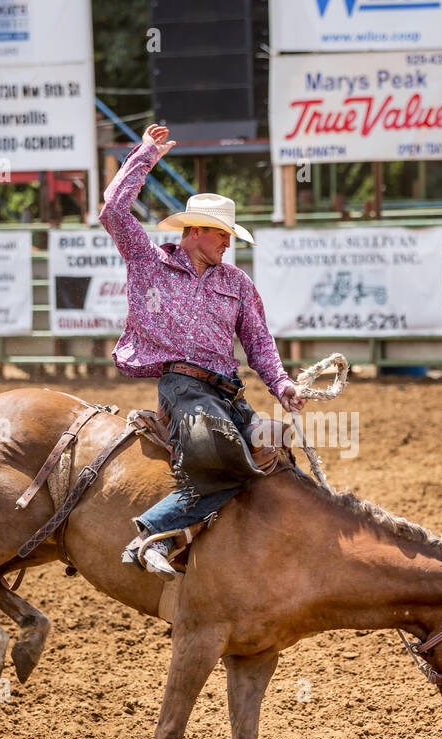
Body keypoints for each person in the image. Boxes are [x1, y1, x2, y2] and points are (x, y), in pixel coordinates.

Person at [100, 123, 302, 578]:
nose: (229, 243)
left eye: (230, 236)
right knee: (230, 454)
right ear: (194, 231)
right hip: (182, 387)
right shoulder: (149, 262)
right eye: (221, 234)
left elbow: (259, 343)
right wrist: (146, 155)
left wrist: (282, 384)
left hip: (227, 392)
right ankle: (154, 532)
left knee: (278, 444)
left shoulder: (237, 284)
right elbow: (113, 211)